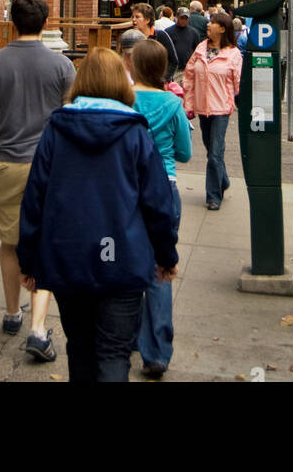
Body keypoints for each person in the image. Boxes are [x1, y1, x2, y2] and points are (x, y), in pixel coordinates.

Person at [17, 46, 178, 383]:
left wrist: (29, 260)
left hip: (68, 256)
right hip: (123, 259)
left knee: (80, 348)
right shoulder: (135, 132)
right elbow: (158, 203)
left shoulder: (57, 130)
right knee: (114, 353)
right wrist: (165, 256)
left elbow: (34, 200)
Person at [0, 0, 75, 362]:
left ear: (13, 22)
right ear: (45, 23)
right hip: (49, 164)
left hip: (8, 163)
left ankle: (12, 312)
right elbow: (71, 119)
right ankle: (37, 326)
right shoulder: (62, 66)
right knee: (46, 240)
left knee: (9, 241)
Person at [131, 38, 191, 378]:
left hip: (129, 187)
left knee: (125, 263)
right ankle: (156, 352)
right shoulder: (171, 103)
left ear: (134, 66)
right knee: (159, 268)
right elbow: (184, 152)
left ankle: (124, 338)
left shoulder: (125, 101)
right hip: (165, 186)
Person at [183, 11, 242, 210]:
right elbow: (189, 76)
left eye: (213, 23)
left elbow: (238, 83)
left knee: (215, 153)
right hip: (202, 108)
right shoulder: (201, 48)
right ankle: (223, 180)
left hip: (221, 109)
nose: (208, 25)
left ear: (223, 29)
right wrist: (189, 104)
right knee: (211, 150)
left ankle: (213, 196)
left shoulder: (233, 53)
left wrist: (236, 101)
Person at [130, 2, 178, 80]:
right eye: (132, 17)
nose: (133, 20)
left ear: (147, 20)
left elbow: (173, 61)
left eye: (137, 17)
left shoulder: (161, 36)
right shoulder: (131, 37)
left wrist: (163, 80)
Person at [164, 7, 199, 73]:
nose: (184, 20)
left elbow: (196, 50)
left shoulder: (194, 32)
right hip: (173, 69)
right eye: (182, 18)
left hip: (189, 68)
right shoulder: (168, 31)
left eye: (186, 18)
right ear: (177, 17)